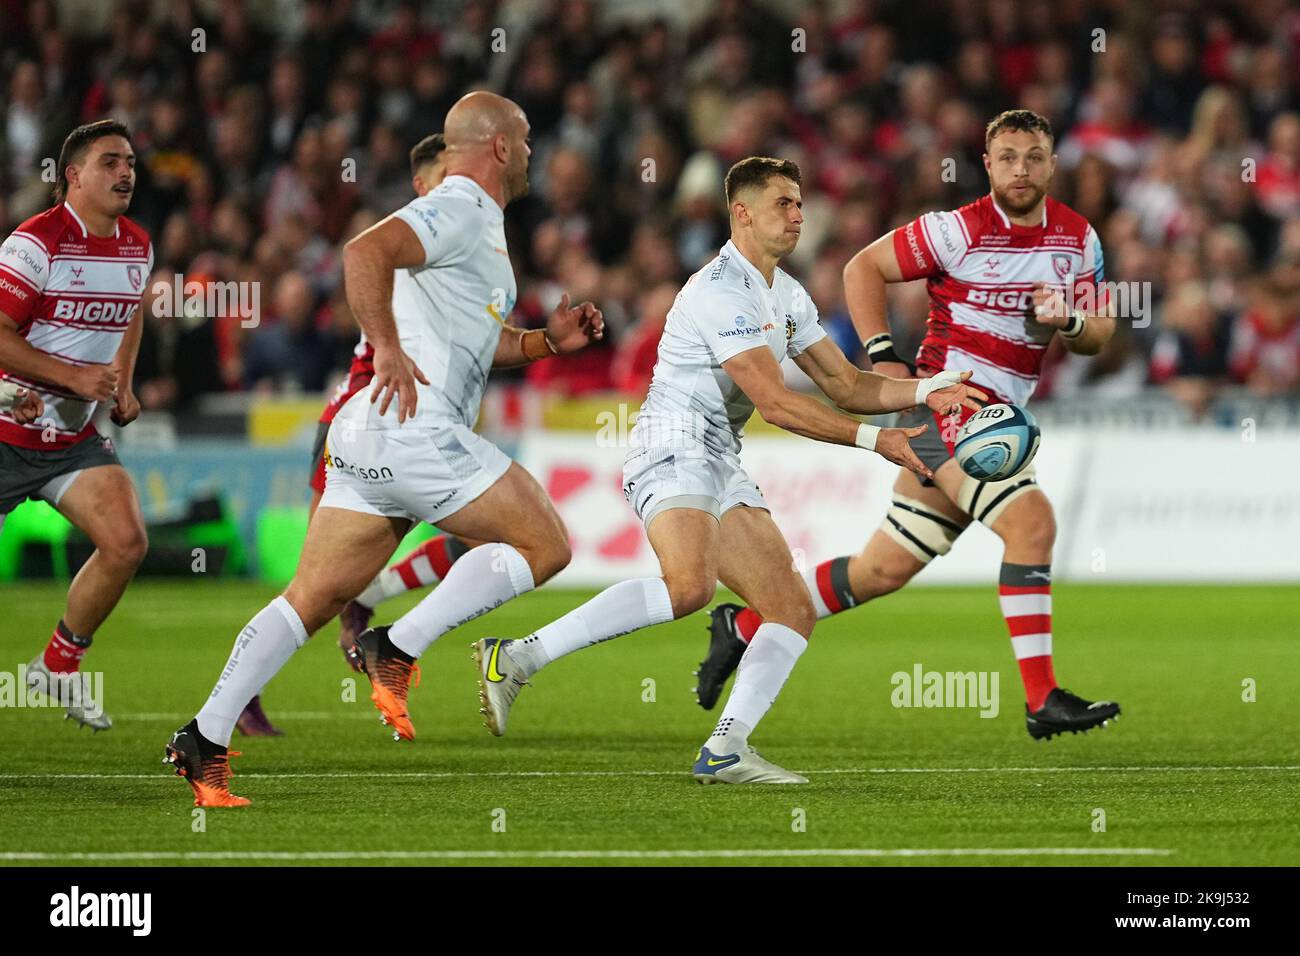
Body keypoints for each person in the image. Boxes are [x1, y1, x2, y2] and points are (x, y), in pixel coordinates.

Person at [471, 156, 984, 784]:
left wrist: (926, 391)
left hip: (719, 455)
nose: (799, 215)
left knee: (790, 609)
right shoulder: (718, 291)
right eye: (783, 204)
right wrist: (880, 443)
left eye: (799, 203)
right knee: (690, 587)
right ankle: (518, 657)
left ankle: (725, 749)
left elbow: (846, 383)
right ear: (741, 213)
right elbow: (775, 403)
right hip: (672, 443)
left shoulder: (786, 292)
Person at [164, 92, 604, 807]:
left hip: (370, 437)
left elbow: (480, 343)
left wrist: (549, 342)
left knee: (307, 600)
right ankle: (395, 646)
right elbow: (362, 249)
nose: (530, 154)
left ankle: (203, 738)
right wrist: (391, 352)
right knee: (546, 544)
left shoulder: (480, 227)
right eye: (523, 141)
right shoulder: (460, 203)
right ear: (496, 146)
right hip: (415, 428)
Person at [697, 111, 1122, 742]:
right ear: (988, 163)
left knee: (880, 571)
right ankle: (1041, 700)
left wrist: (1069, 322)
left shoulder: (1078, 238)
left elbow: (1102, 334)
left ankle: (746, 626)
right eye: (1008, 157)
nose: (1021, 170)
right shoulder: (957, 230)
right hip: (944, 412)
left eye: (1034, 156)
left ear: (1052, 162)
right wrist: (884, 357)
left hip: (998, 421)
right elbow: (860, 269)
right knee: (1033, 525)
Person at [234, 132, 468, 737]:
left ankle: (369, 600)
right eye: (448, 177)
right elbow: (361, 263)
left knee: (486, 542)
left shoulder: (460, 242)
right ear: (420, 188)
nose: (462, 190)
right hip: (364, 417)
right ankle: (238, 696)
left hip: (422, 418)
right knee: (316, 588)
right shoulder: (406, 240)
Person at [0, 119, 153, 732]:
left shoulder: (137, 245)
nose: (126, 173)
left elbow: (131, 311)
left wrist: (125, 379)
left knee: (126, 541)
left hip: (69, 439)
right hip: (6, 430)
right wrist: (72, 377)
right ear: (74, 175)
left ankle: (57, 668)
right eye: (112, 161)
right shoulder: (33, 245)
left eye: (132, 164)